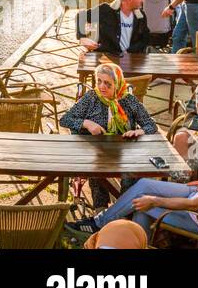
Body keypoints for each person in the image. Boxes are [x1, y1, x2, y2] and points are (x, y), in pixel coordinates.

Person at [69, 116, 198, 241]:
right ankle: (118, 230)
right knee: (144, 185)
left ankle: (101, 225)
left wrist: (155, 201)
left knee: (142, 204)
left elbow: (191, 205)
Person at [60, 60, 159, 208]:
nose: (102, 87)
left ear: (117, 83)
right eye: (99, 81)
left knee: (131, 173)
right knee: (96, 170)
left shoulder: (129, 100)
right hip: (97, 149)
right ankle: (100, 209)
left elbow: (151, 125)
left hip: (123, 151)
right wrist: (87, 123)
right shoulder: (91, 97)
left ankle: (124, 208)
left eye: (108, 83)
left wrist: (139, 131)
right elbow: (65, 119)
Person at [78, 0, 150, 55]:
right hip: (106, 57)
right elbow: (80, 16)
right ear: (129, 0)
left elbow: (145, 39)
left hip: (131, 59)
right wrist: (82, 38)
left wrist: (130, 51)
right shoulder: (105, 10)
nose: (143, 1)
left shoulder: (140, 16)